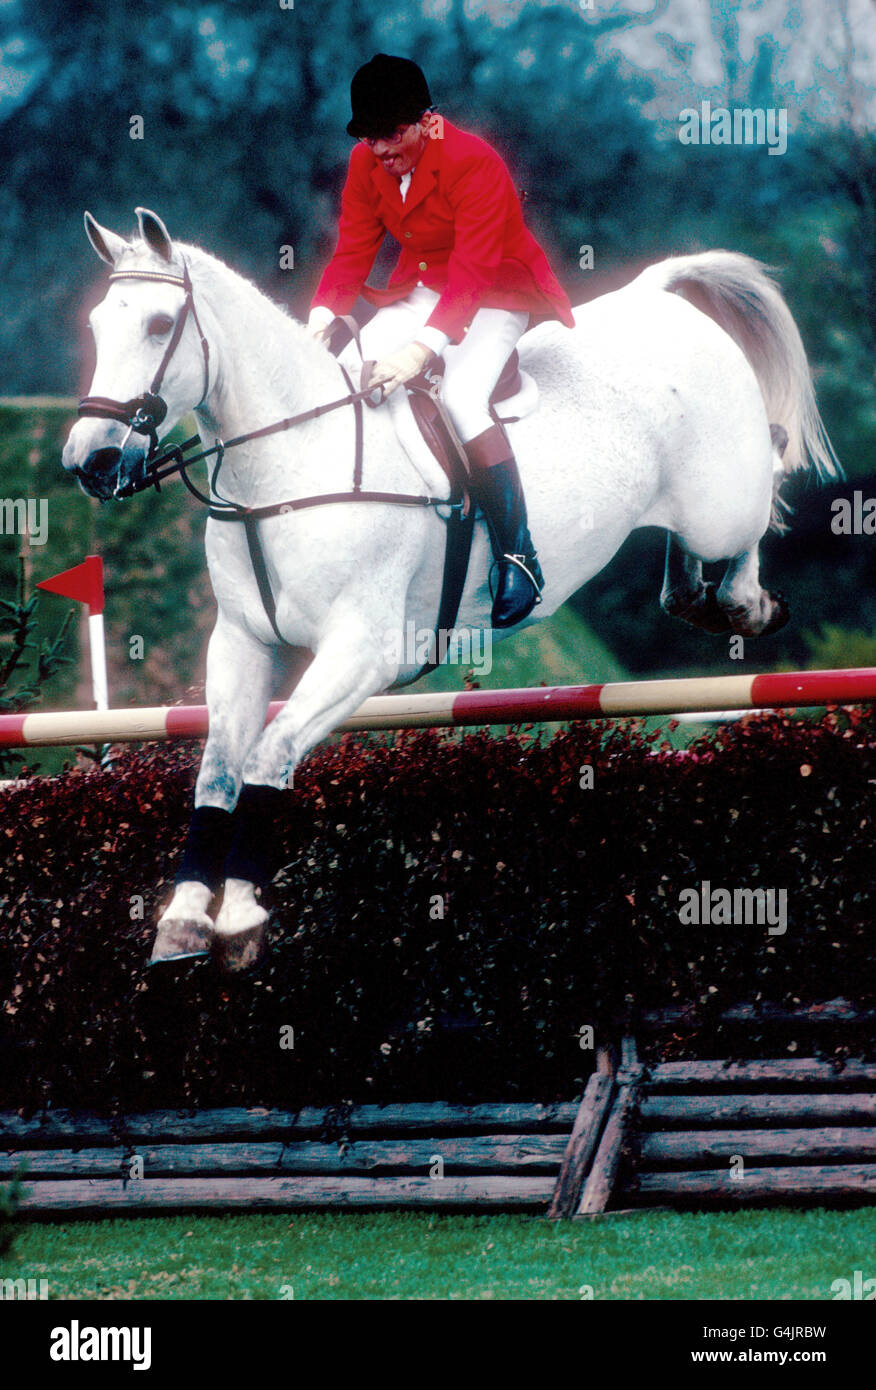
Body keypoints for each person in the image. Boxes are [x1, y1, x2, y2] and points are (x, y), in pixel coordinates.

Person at [308, 53, 574, 628]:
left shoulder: (474, 162)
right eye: (371, 137)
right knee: (358, 373)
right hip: (424, 288)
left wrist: (422, 348)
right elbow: (353, 250)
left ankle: (519, 556)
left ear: (425, 119)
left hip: (497, 292)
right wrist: (321, 317)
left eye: (392, 133)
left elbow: (474, 271)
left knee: (461, 398)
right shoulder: (365, 163)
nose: (381, 149)